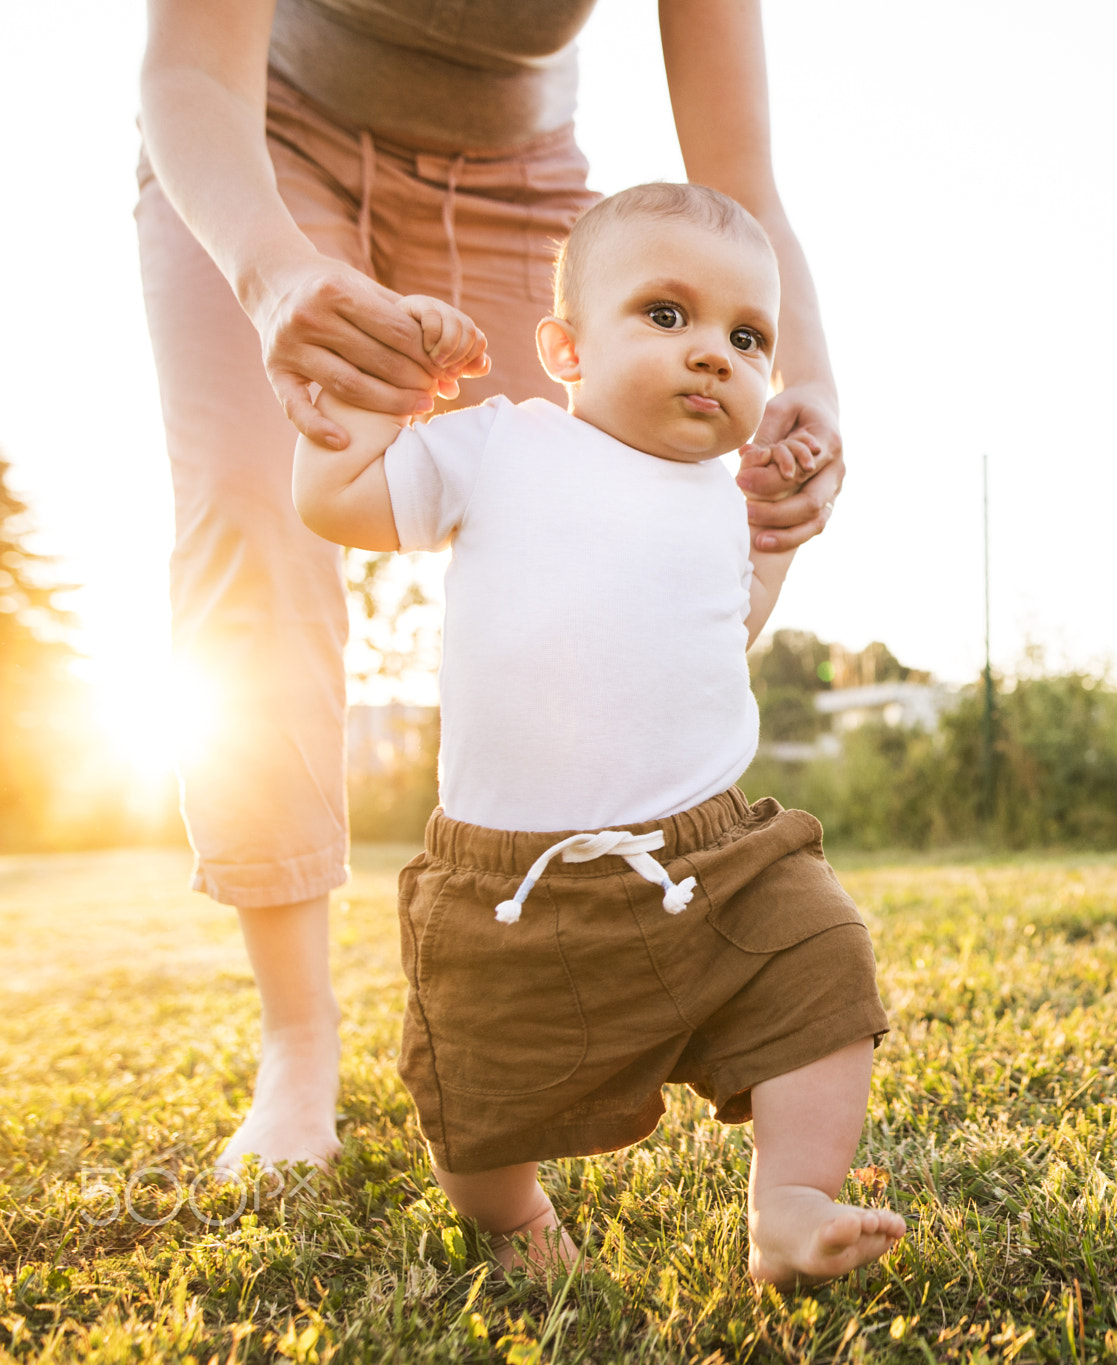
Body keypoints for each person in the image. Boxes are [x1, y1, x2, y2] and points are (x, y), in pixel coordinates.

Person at [137, 0, 846, 1171]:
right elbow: (189, 74)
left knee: (603, 511)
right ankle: (298, 1044)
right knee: (254, 524)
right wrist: (274, 281)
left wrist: (805, 389)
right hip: (255, 139)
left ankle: (594, 962)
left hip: (519, 176)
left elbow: (737, 174)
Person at [290, 181, 903, 1283]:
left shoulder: (719, 497)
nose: (713, 352)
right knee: (474, 1106)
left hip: (713, 863)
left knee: (822, 967)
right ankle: (511, 1218)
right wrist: (374, 395)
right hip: (510, 886)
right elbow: (340, 501)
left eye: (747, 335)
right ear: (564, 351)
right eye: (666, 316)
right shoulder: (500, 446)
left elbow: (728, 632)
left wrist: (776, 543)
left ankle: (792, 1200)